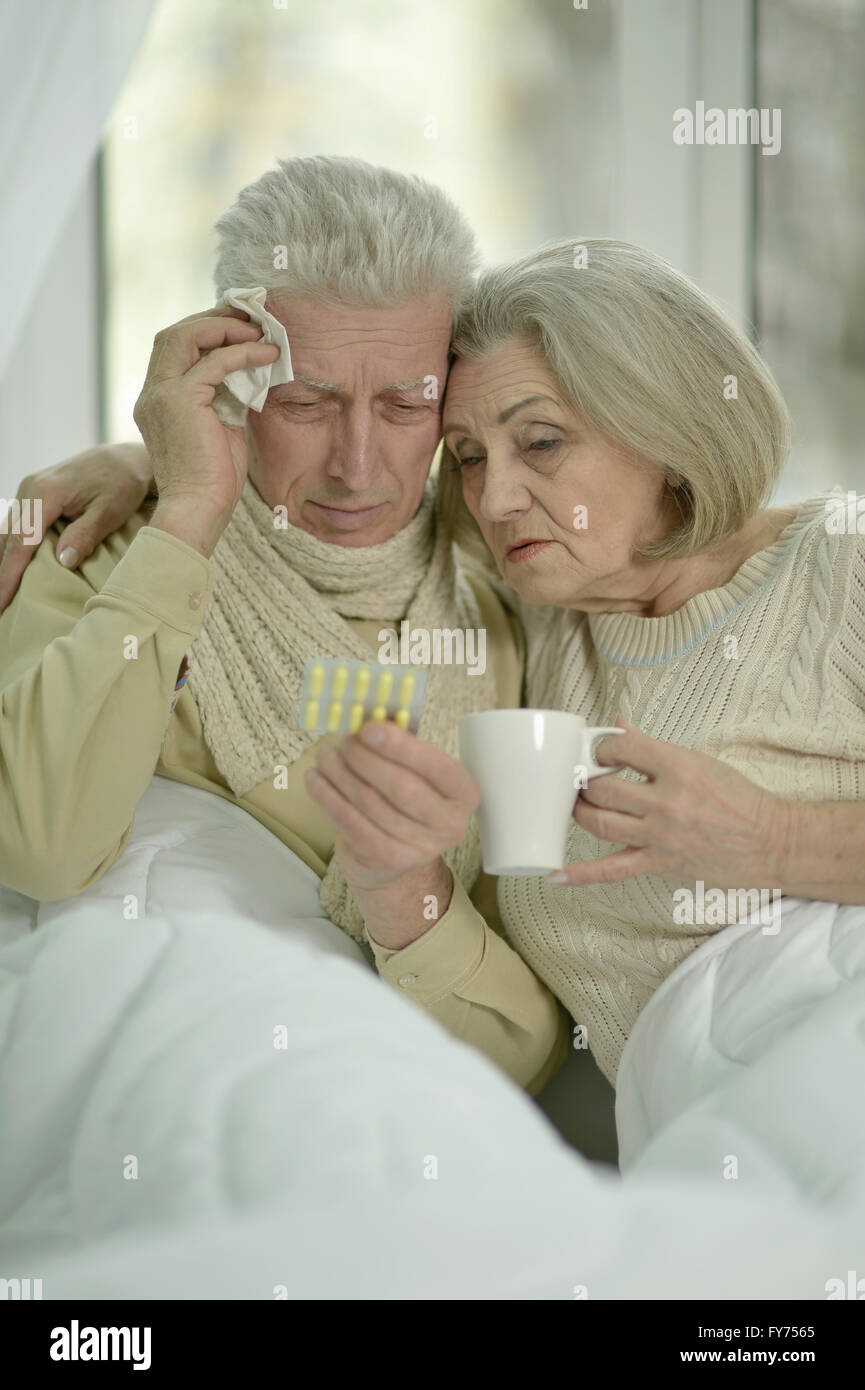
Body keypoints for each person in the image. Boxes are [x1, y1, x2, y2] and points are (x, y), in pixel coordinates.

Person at [0, 157, 571, 1097]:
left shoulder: (511, 610)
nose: (357, 466)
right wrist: (184, 504)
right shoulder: (99, 550)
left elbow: (523, 1050)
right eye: (304, 403)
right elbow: (40, 846)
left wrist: (404, 898)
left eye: (404, 406)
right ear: (230, 380)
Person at [436, 237, 865, 1083]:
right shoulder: (537, 616)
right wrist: (157, 466)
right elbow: (339, 497)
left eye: (543, 441)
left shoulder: (844, 563)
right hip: (707, 1163)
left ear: (668, 428)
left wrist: (776, 842)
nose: (494, 496)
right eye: (468, 456)